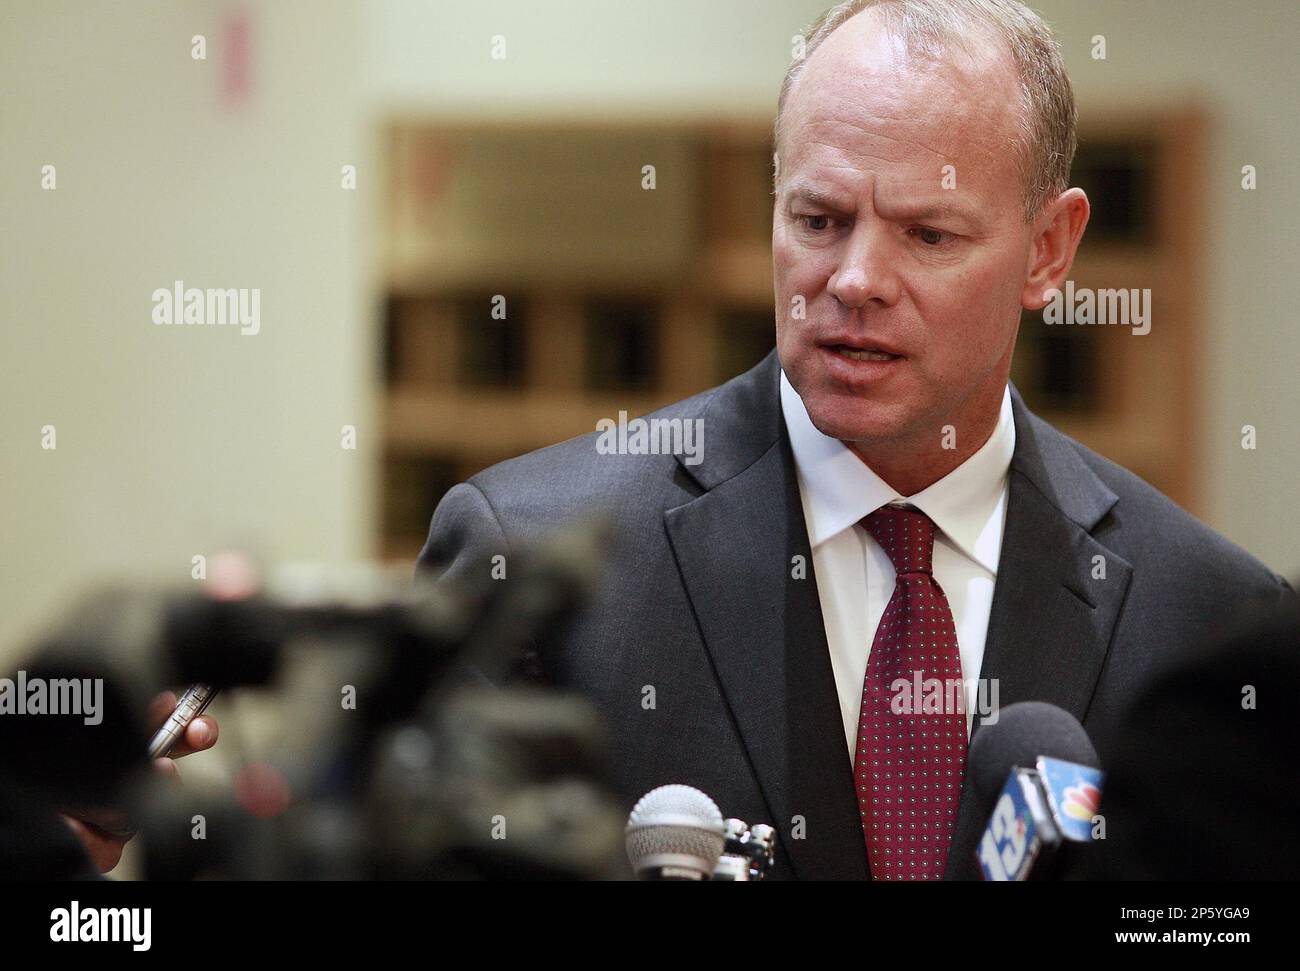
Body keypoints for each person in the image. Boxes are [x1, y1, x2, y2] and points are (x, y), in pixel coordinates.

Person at [418, 0, 1292, 880]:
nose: (855, 280)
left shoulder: (1210, 618)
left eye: (928, 233)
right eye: (818, 220)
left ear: (1048, 252)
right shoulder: (532, 565)